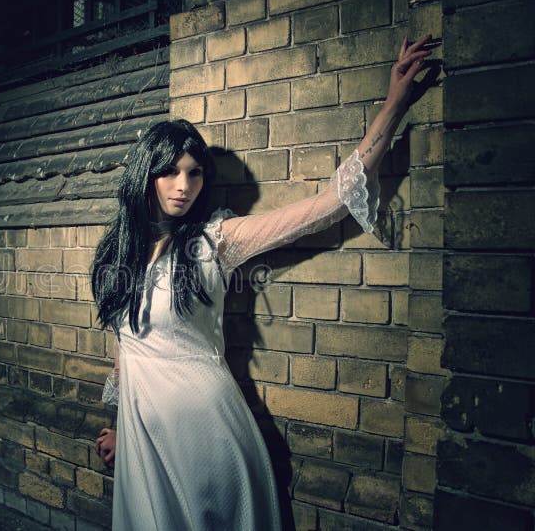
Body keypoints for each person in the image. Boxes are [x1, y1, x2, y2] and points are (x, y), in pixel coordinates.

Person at [92, 34, 437, 530]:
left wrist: (395, 103)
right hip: (144, 438)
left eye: (194, 173)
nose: (183, 186)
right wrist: (123, 427)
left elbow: (328, 206)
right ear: (145, 176)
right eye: (168, 172)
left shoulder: (215, 241)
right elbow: (126, 346)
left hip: (204, 432)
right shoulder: (117, 253)